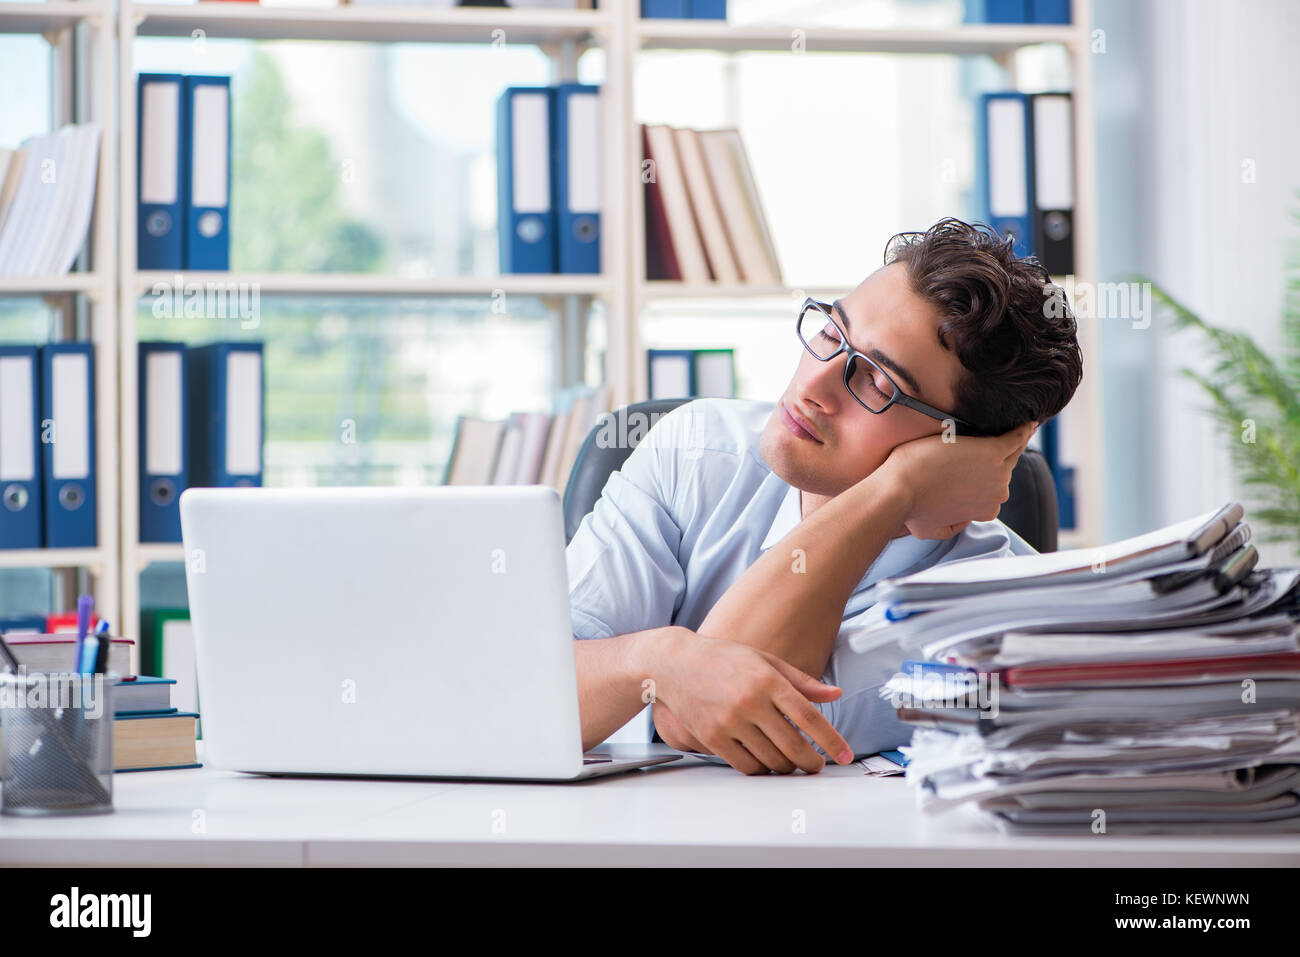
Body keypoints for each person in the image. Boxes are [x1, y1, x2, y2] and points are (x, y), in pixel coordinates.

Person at [567, 217, 1083, 775]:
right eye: (832, 333)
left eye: (879, 384)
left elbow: (701, 726)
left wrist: (895, 490)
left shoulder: (985, 609)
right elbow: (522, 686)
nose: (814, 384)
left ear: (962, 448)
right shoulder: (696, 450)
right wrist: (656, 658)